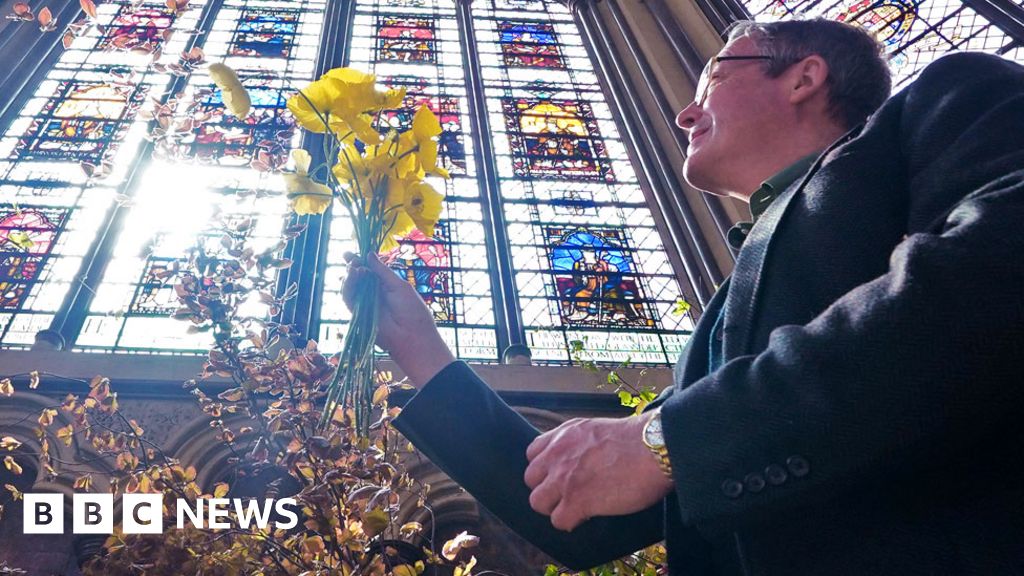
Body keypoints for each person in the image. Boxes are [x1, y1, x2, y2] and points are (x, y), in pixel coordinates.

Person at [343, 17, 1024, 575]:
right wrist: (419, 349)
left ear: (804, 76)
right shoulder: (728, 314)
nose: (684, 109)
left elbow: (995, 275)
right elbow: (577, 509)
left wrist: (672, 439)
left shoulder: (947, 96)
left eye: (716, 75)